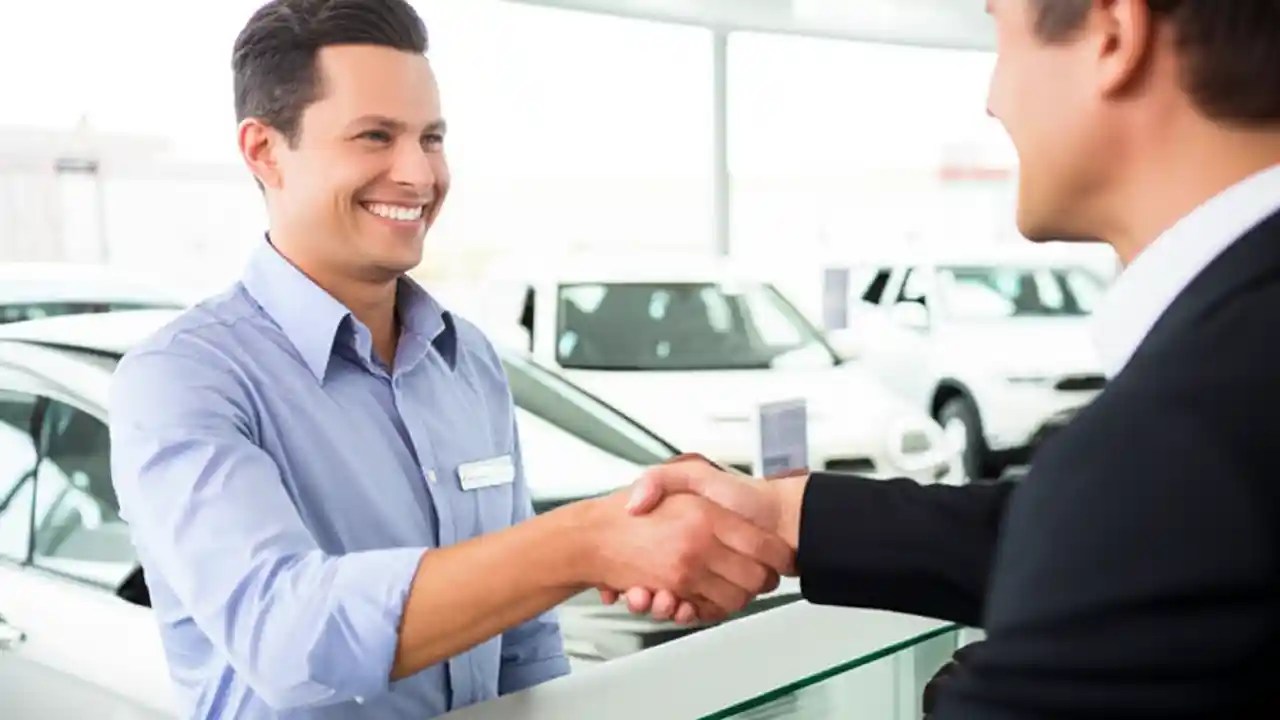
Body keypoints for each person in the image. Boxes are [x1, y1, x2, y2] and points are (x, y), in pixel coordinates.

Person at [107, 2, 791, 718]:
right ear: (264, 151)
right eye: (375, 136)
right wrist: (587, 542)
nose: (419, 173)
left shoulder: (467, 361)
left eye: (430, 138)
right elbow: (288, 641)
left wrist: (618, 543)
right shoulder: (182, 379)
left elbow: (524, 642)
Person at [614, 0, 1280, 716]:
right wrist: (783, 515)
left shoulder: (1188, 429)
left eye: (1004, 31)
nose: (993, 99)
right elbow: (1152, 535)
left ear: (1114, 35)